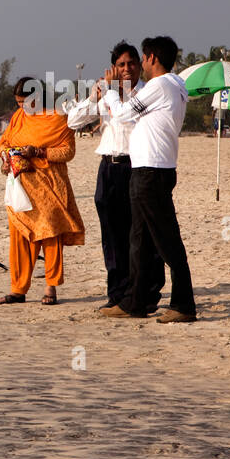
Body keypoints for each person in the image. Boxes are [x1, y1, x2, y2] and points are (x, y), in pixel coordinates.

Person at [101, 36, 196, 323]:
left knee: (166, 240)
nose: (140, 64)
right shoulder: (176, 84)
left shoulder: (160, 85)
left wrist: (108, 89)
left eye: (142, 57)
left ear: (152, 57)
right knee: (138, 240)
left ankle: (183, 305)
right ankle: (135, 301)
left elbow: (121, 114)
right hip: (148, 169)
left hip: (152, 171)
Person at [67, 41, 162, 312]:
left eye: (132, 63)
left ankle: (145, 292)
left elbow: (127, 118)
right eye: (121, 64)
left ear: (140, 66)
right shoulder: (105, 94)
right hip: (109, 167)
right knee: (112, 234)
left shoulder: (148, 93)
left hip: (139, 167)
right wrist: (96, 96)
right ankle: (117, 292)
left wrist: (109, 94)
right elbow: (72, 121)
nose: (127, 68)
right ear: (113, 68)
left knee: (141, 233)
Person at [0, 77, 85, 305]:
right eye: (18, 102)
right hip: (20, 186)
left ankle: (50, 288)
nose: (21, 107)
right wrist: (6, 159)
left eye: (24, 102)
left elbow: (67, 152)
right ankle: (18, 289)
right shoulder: (18, 118)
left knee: (50, 235)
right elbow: (4, 143)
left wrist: (38, 152)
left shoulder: (58, 118)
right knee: (20, 237)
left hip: (49, 186)